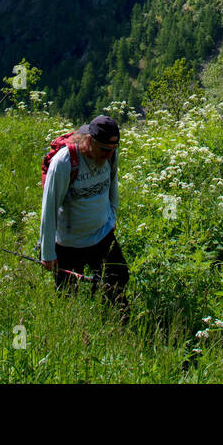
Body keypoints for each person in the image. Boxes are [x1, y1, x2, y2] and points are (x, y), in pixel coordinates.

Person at [39, 114, 130, 321]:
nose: (108, 155)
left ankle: (117, 326)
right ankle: (70, 333)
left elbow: (112, 183)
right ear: (89, 140)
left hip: (102, 234)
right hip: (69, 244)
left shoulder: (110, 154)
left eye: (113, 149)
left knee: (119, 278)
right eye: (104, 150)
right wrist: (48, 252)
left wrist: (111, 217)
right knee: (67, 295)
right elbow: (49, 207)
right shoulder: (64, 162)